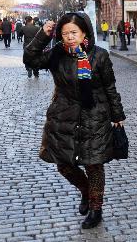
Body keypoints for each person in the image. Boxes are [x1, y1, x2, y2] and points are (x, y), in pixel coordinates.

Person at [23, 12, 125, 229]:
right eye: (65, 33)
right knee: (64, 165)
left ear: (84, 32)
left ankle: (96, 209)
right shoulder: (57, 54)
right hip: (64, 116)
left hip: (94, 116)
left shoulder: (99, 56)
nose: (69, 37)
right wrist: (43, 35)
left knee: (93, 164)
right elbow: (30, 59)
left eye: (73, 32)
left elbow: (110, 88)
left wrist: (118, 116)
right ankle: (87, 191)